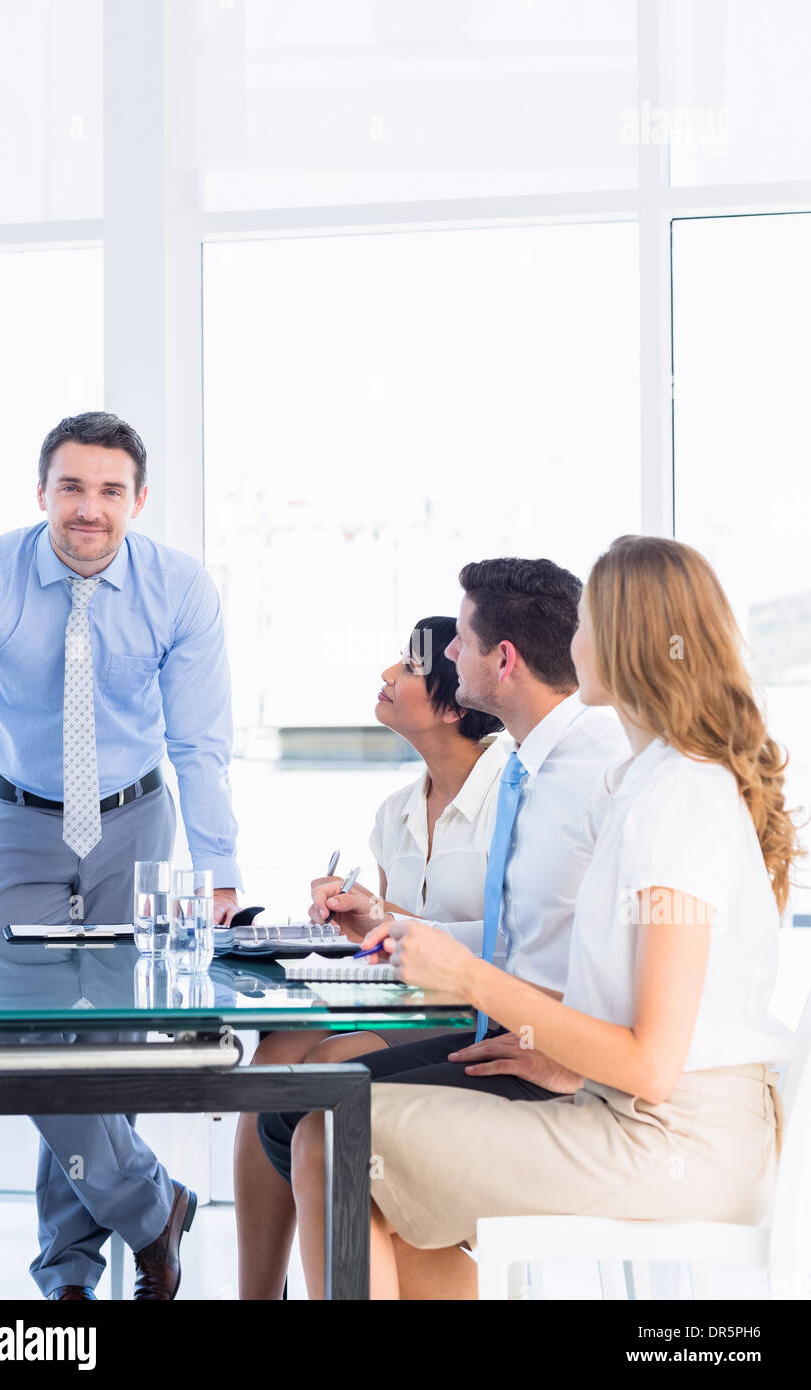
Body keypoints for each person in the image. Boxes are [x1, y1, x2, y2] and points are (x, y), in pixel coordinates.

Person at [292, 535, 800, 1299]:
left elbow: (653, 1065)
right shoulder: (648, 780)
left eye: (586, 622)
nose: (571, 642)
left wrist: (469, 978)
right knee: (335, 1128)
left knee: (334, 1134)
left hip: (671, 1142)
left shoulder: (676, 799)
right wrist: (556, 1044)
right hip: (634, 1113)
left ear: (623, 643)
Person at [257, 555, 630, 1295]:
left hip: (559, 1057)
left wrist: (574, 1057)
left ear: (505, 658)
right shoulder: (534, 767)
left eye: (457, 638)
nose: (447, 653)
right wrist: (393, 925)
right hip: (509, 1032)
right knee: (287, 1111)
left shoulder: (599, 773)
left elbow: (646, 953)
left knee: (323, 1127)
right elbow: (513, 942)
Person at [0, 411, 243, 1300]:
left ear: (138, 500)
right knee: (30, 1046)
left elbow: (200, 744)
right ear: (42, 493)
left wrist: (220, 869)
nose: (89, 509)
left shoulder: (181, 590)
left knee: (107, 1048)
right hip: (17, 826)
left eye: (110, 490)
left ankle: (68, 1275)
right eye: (71, 487)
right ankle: (156, 1212)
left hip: (135, 828)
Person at [235, 616, 505, 1299]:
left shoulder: (513, 793)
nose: (387, 675)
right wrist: (369, 921)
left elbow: (514, 937)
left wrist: (392, 924)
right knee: (272, 1058)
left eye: (408, 669)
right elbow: (406, 934)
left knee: (327, 1068)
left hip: (485, 1011)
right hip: (418, 1001)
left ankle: (374, 1250)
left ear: (454, 702)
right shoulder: (395, 811)